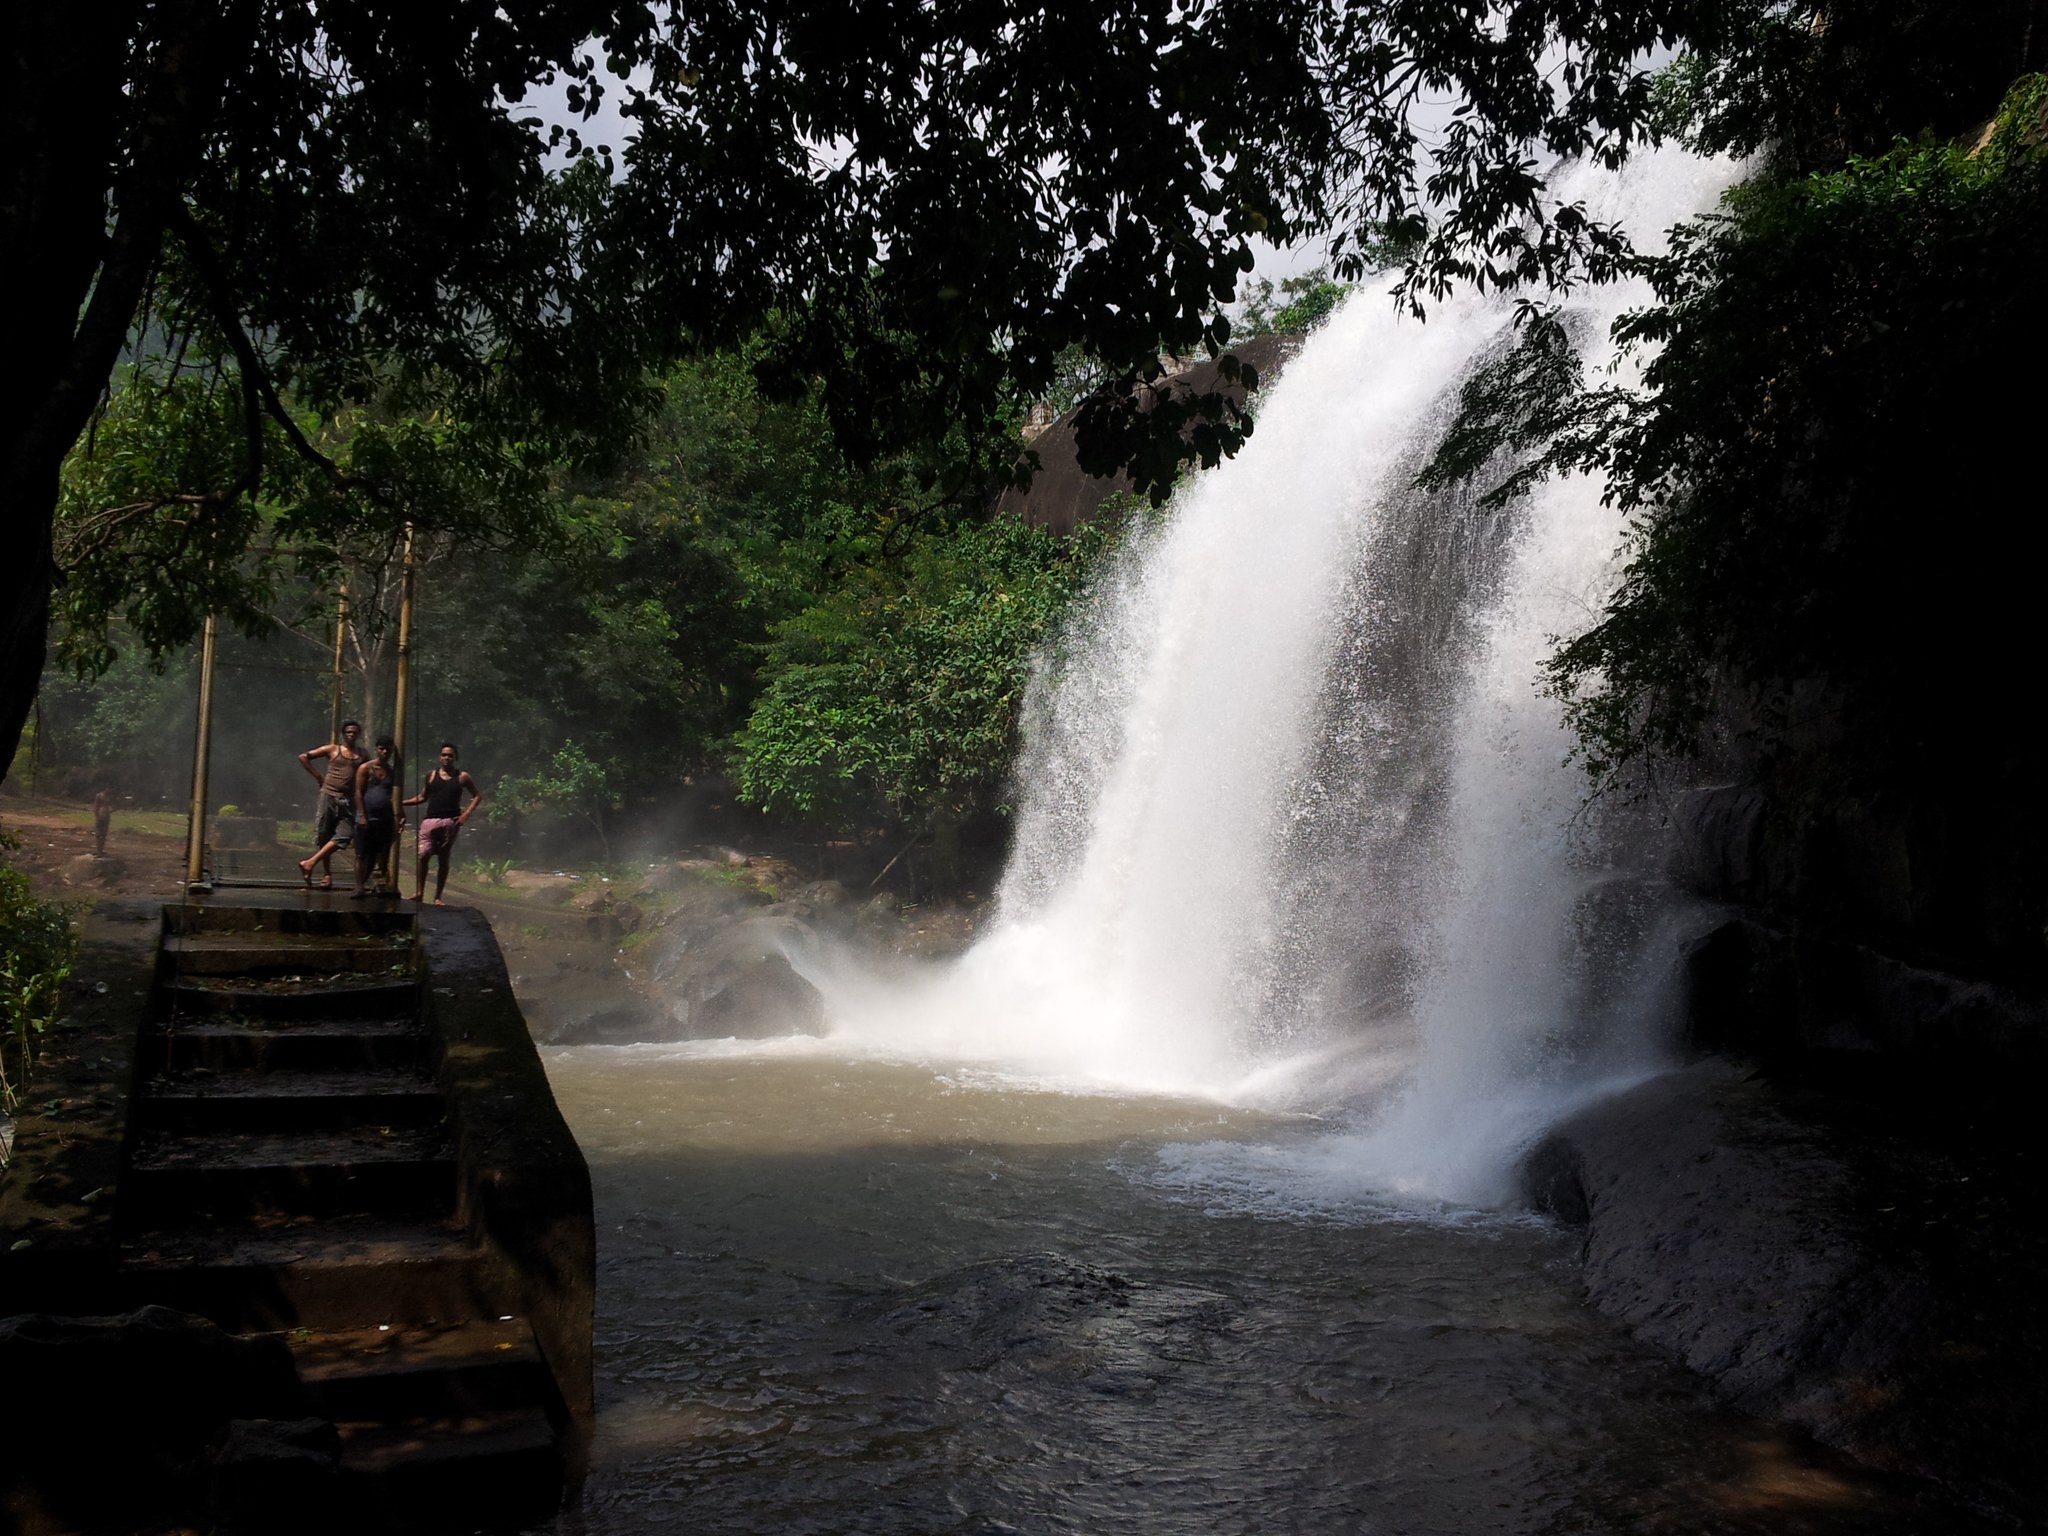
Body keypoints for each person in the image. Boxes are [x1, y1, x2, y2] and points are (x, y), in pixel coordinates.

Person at [404, 742, 483, 906]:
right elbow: (422, 797)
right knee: (423, 855)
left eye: (450, 755)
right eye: (444, 755)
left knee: (443, 859)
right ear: (439, 757)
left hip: (450, 822)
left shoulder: (462, 777)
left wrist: (466, 814)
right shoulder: (431, 775)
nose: (447, 758)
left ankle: (438, 896)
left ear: (455, 758)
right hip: (430, 821)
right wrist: (401, 802)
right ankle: (419, 892)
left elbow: (477, 796)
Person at [297, 720, 362, 888]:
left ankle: (310, 862)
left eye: (354, 732)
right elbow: (304, 757)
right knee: (324, 834)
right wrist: (318, 777)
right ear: (343, 734)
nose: (351, 735)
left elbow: (368, 772)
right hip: (329, 795)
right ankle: (327, 874)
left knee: (345, 835)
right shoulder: (332, 749)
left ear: (358, 735)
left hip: (348, 800)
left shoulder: (362, 755)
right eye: (348, 732)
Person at [351, 737, 403, 898]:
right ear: (377, 749)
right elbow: (358, 793)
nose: (385, 752)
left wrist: (400, 814)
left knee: (379, 853)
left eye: (388, 749)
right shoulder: (365, 769)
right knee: (361, 853)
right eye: (382, 748)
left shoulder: (392, 771)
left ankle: (376, 883)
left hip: (385, 818)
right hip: (367, 816)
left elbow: (395, 795)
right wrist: (362, 816)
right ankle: (359, 886)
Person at [91, 788, 113, 857]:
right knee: (99, 834)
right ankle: (98, 851)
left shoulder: (109, 797)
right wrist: (97, 817)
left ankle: (100, 850)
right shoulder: (99, 796)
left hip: (106, 815)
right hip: (101, 815)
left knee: (103, 834)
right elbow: (96, 807)